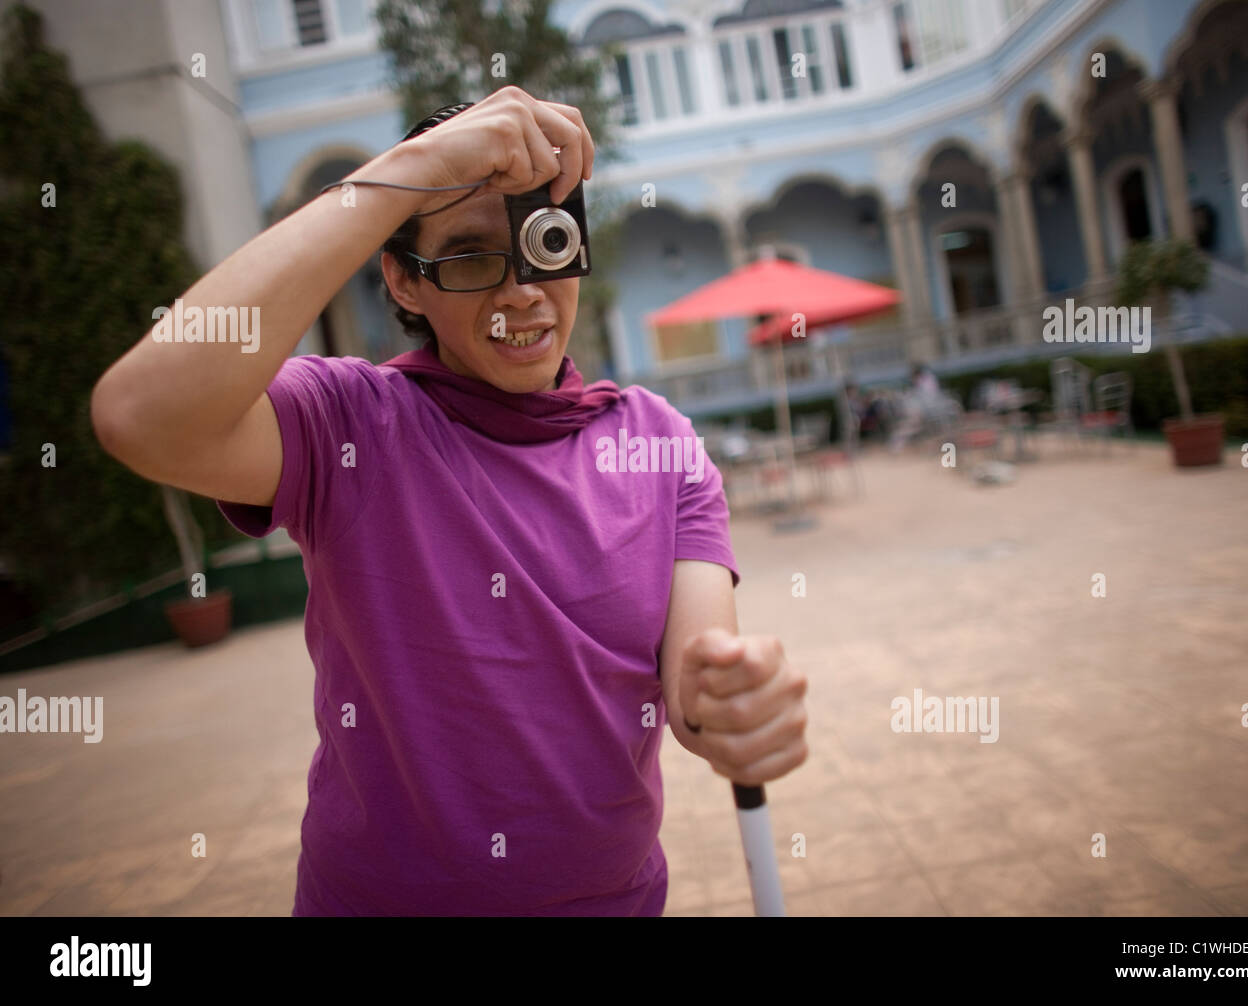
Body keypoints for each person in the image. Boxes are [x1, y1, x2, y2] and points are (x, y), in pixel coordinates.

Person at [90, 87, 809, 916]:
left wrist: (735, 700)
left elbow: (698, 688)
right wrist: (412, 170)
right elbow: (140, 415)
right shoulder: (350, 426)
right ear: (401, 279)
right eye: (469, 258)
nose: (521, 296)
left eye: (544, 244)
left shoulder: (660, 443)